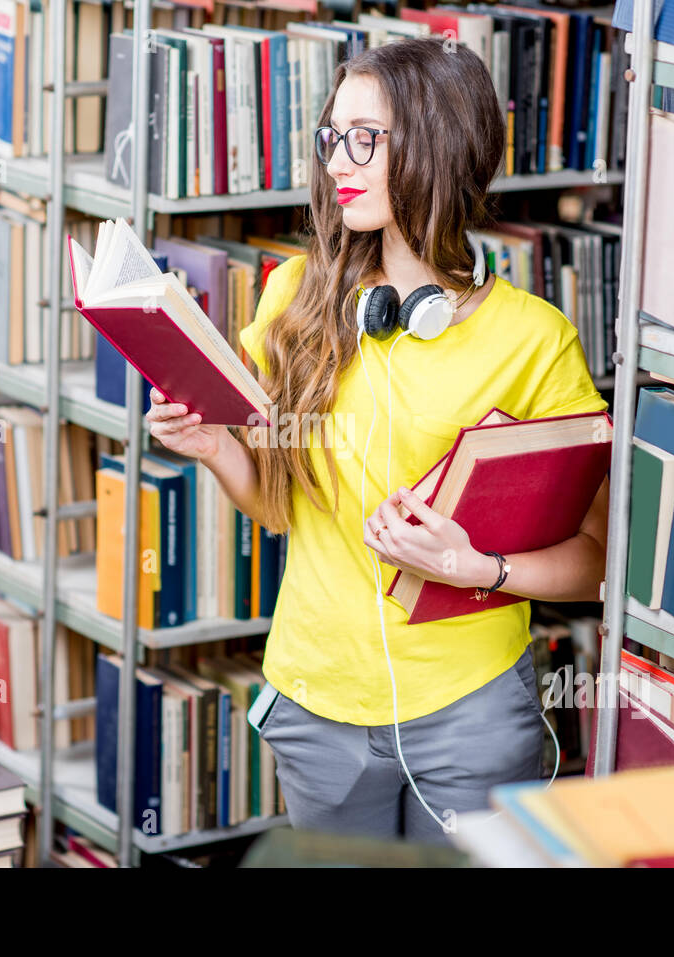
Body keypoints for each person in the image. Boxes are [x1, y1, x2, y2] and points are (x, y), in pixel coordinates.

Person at [145, 36, 609, 845]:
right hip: (315, 702)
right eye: (333, 135)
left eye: (367, 138)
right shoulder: (295, 294)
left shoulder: (535, 341)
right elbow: (281, 507)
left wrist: (477, 568)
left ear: (436, 145)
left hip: (471, 712)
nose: (338, 161)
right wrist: (216, 448)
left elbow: (598, 558)